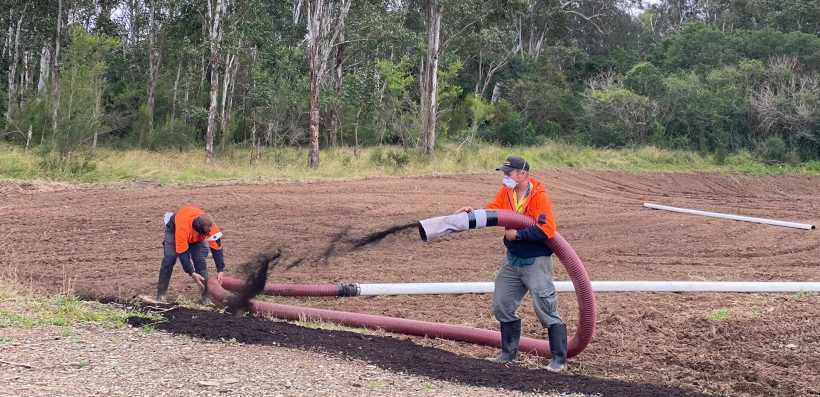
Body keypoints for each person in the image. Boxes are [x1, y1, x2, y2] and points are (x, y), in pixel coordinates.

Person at [454, 155, 567, 372]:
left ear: (522, 174)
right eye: (504, 173)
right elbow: (493, 212)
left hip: (536, 260)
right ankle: (508, 353)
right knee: (502, 304)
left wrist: (519, 235)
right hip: (512, 258)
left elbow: (547, 229)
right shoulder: (506, 192)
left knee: (545, 306)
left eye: (509, 173)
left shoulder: (538, 196)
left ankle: (559, 359)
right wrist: (473, 212)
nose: (505, 177)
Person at [156, 205, 226, 304]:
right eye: (206, 232)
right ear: (199, 228)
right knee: (169, 259)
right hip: (174, 230)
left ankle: (205, 297)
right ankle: (161, 295)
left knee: (200, 261)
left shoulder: (211, 227)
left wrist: (220, 269)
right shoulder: (183, 228)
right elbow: (182, 253)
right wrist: (191, 272)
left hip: (196, 236)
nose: (209, 233)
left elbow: (217, 249)